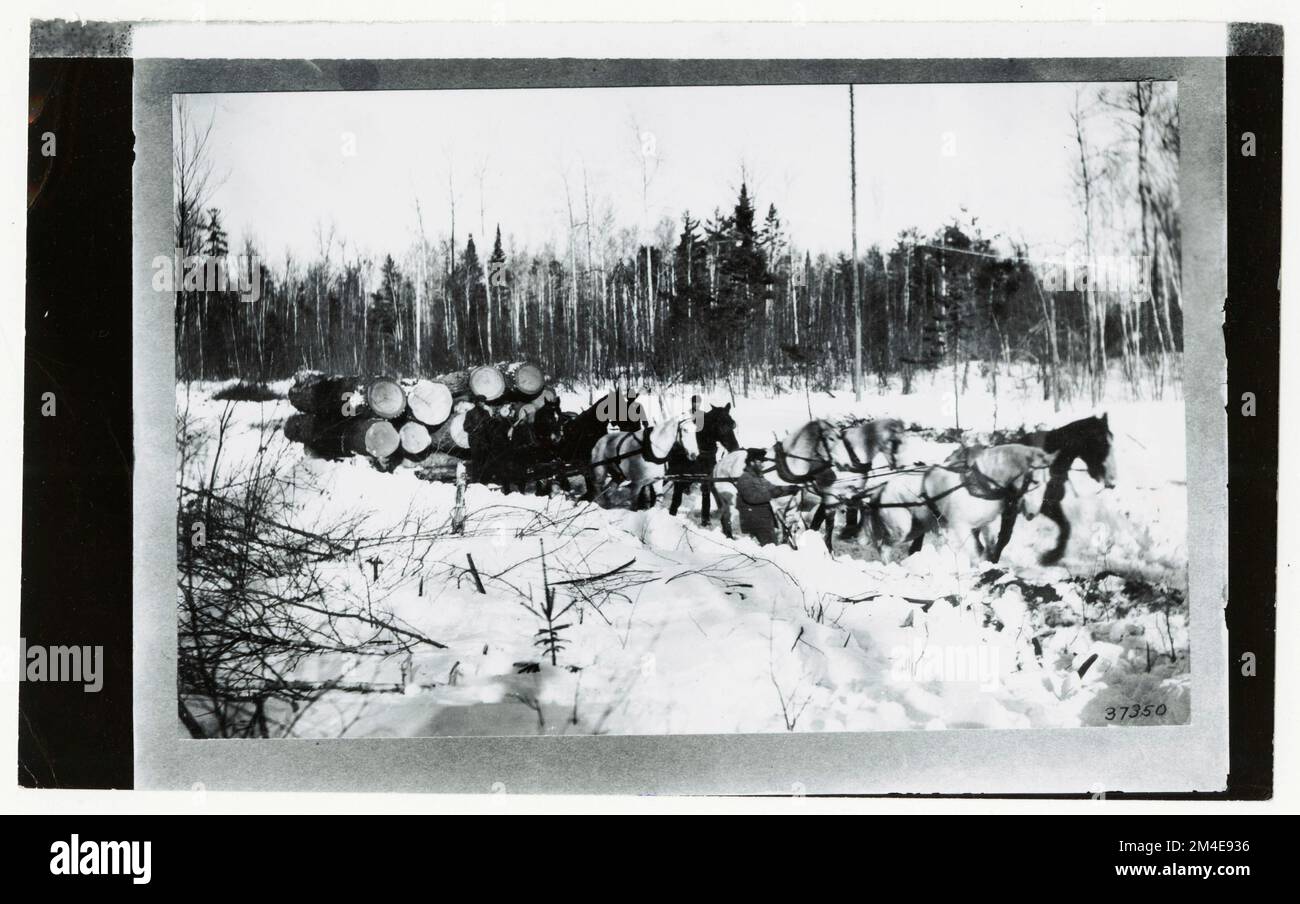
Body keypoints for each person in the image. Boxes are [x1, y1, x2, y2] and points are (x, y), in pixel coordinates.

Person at [735, 448, 801, 546]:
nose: (763, 465)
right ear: (752, 462)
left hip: (764, 520)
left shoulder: (759, 478)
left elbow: (773, 488)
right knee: (770, 549)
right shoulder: (745, 478)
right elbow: (752, 498)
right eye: (760, 462)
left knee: (770, 548)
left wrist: (789, 489)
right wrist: (770, 494)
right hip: (755, 522)